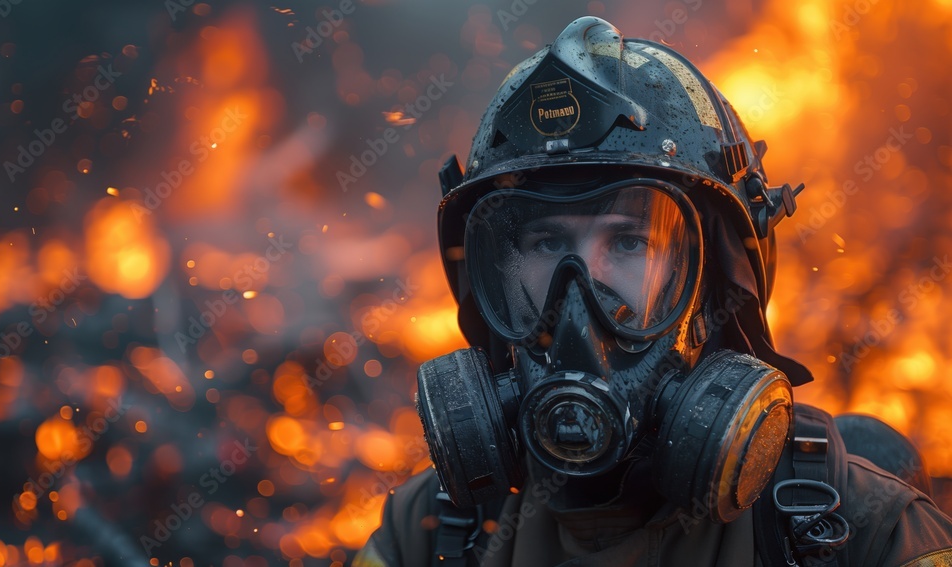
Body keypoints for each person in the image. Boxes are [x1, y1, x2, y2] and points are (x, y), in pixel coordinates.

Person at [353, 16, 952, 567]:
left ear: (713, 281)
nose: (579, 298)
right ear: (494, 279)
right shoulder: (433, 532)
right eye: (543, 244)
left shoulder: (860, 531)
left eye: (631, 243)